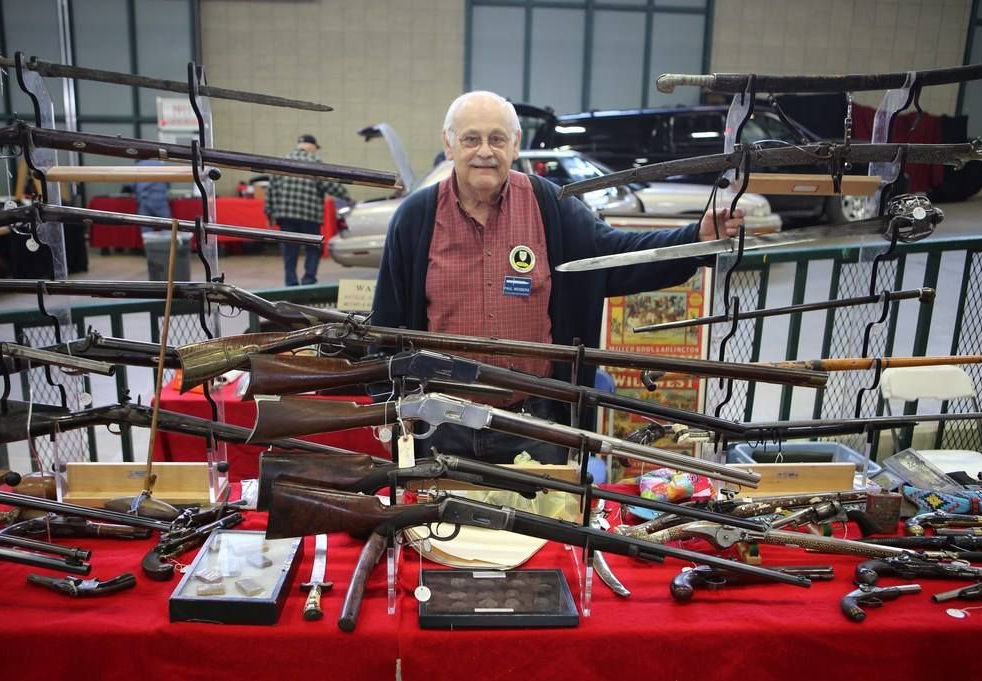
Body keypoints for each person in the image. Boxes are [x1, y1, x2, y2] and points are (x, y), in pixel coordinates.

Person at [371, 90, 743, 465]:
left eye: (497, 139)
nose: (485, 151)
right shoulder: (416, 218)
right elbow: (384, 328)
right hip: (438, 424)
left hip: (532, 426)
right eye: (471, 139)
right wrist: (385, 413)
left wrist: (693, 240)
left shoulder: (548, 205)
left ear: (515, 145)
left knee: (544, 522)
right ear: (448, 145)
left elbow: (616, 255)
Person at [264, 134, 351, 286]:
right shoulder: (315, 162)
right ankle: (308, 280)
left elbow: (271, 191)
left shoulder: (282, 161)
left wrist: (270, 213)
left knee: (290, 250)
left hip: (286, 215)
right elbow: (330, 185)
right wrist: (346, 196)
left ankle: (290, 283)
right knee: (313, 248)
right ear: (311, 147)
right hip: (309, 215)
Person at [132, 159, 171, 236]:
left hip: (144, 200)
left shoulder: (139, 165)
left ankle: (149, 247)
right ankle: (167, 246)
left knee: (146, 229)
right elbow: (168, 183)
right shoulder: (160, 164)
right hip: (160, 200)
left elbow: (133, 185)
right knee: (167, 226)